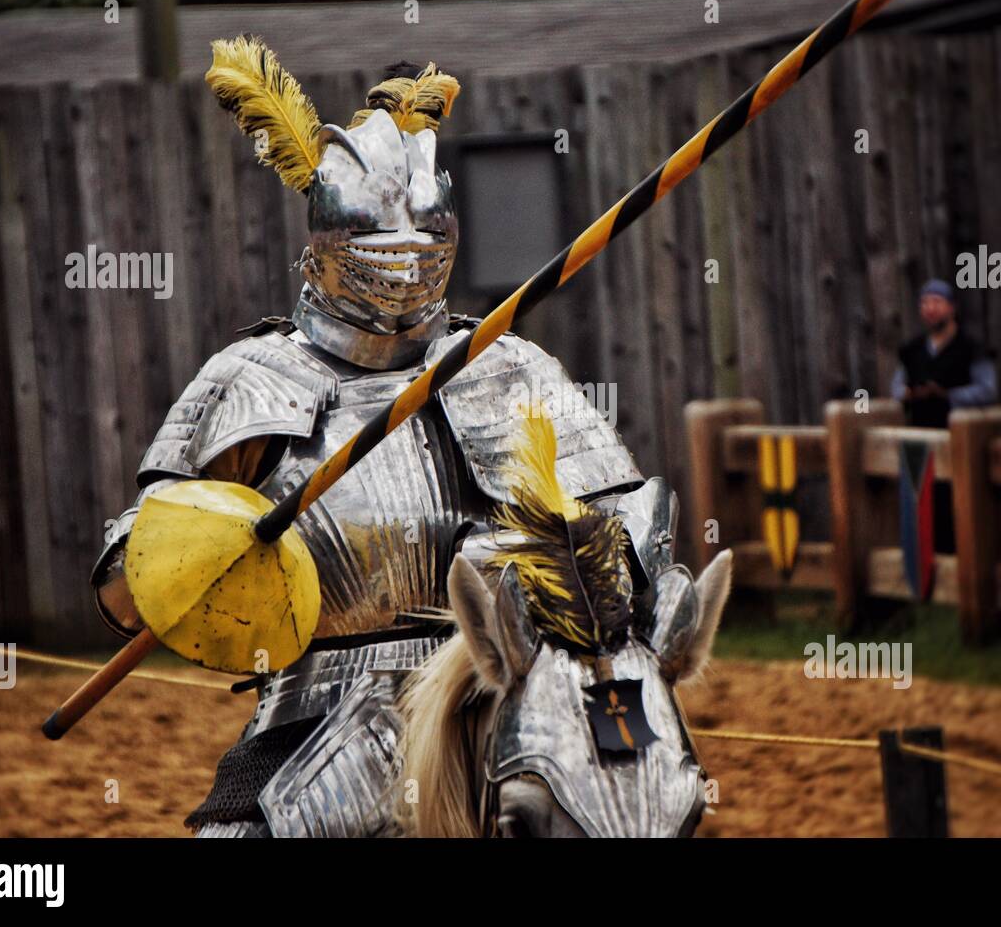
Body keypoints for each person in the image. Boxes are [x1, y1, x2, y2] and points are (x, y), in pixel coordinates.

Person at [90, 42, 680, 837]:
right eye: (379, 262)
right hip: (317, 726)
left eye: (420, 260)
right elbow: (131, 581)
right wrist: (192, 555)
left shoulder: (506, 367)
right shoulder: (252, 379)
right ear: (324, 253)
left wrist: (611, 583)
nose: (402, 281)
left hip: (508, 714)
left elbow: (626, 528)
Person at [891, 279, 998, 429]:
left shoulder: (972, 347)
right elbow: (896, 388)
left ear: (951, 307)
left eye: (937, 302)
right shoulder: (912, 350)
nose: (930, 309)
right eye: (925, 303)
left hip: (962, 433)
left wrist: (946, 395)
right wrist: (910, 394)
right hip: (921, 431)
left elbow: (987, 391)